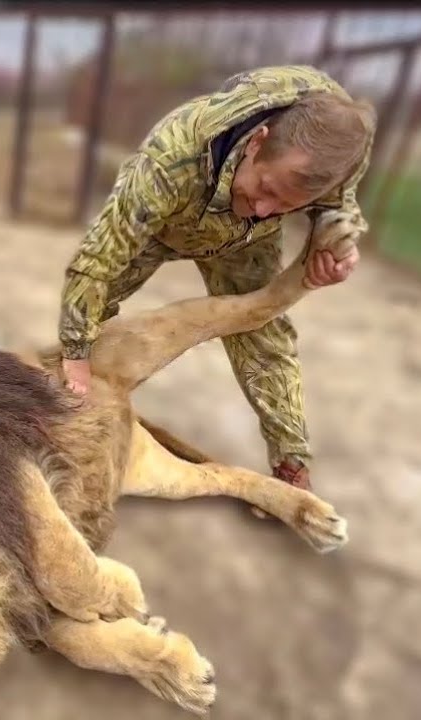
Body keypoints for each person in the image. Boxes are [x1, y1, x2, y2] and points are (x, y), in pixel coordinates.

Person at [57, 64, 376, 499]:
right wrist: (76, 353)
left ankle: (291, 463)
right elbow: (98, 259)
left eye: (285, 205)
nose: (265, 208)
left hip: (245, 244)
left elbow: (340, 207)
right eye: (265, 187)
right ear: (257, 141)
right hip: (171, 219)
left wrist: (338, 245)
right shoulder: (170, 161)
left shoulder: (340, 141)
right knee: (96, 306)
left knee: (265, 335)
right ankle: (62, 405)